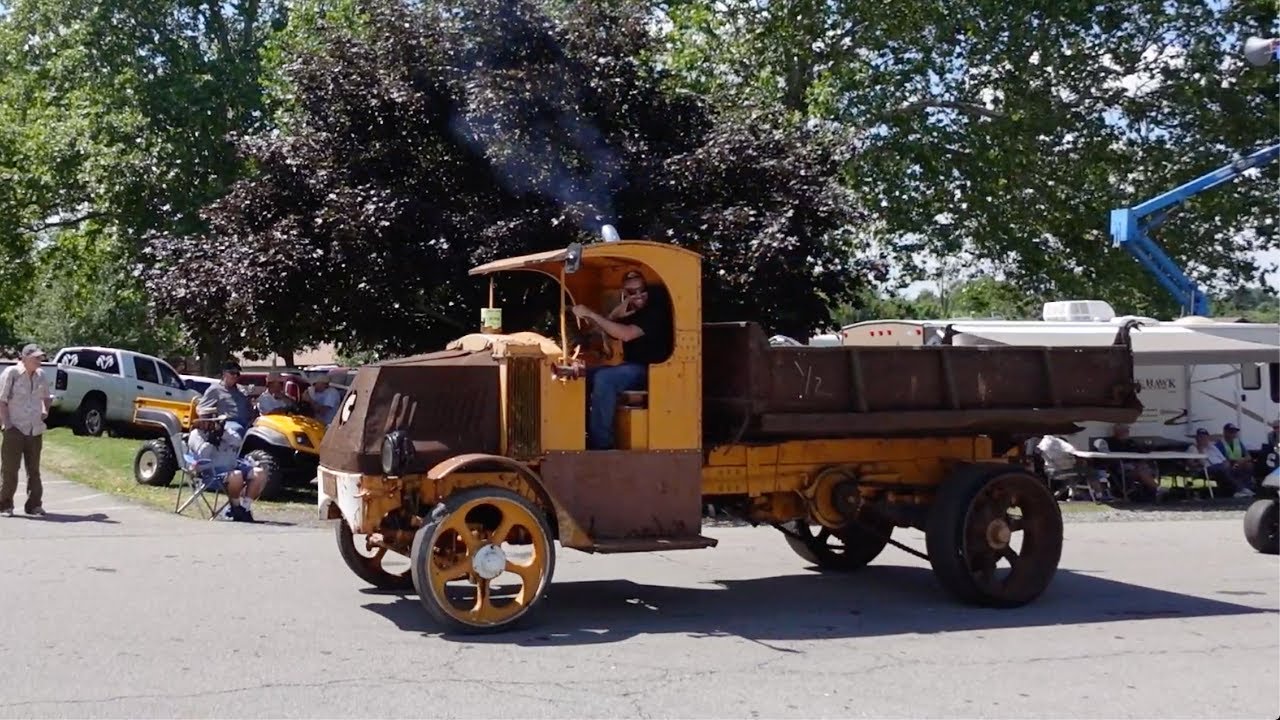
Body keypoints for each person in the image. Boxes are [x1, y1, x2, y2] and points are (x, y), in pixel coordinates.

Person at [571, 269, 673, 450]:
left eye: (642, 290)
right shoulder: (630, 312)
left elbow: (625, 334)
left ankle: (601, 445)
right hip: (630, 366)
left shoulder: (655, 312)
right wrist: (614, 313)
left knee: (606, 378)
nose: (639, 295)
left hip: (652, 370)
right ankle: (579, 436)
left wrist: (592, 314)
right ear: (625, 294)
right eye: (632, 292)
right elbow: (605, 330)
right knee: (582, 374)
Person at [188, 410, 268, 522]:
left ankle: (244, 508)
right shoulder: (196, 435)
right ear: (202, 422)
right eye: (210, 422)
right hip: (210, 473)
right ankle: (235, 507)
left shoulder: (225, 432)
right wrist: (211, 441)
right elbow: (202, 455)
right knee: (237, 475)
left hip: (232, 468)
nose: (214, 424)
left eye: (216, 422)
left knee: (259, 473)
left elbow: (238, 442)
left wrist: (223, 434)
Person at [0, 344, 52, 517]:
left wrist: (45, 410)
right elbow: (2, 400)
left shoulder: (41, 375)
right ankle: (5, 505)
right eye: (36, 358)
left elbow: (47, 396)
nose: (40, 361)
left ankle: (34, 505)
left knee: (34, 470)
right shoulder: (12, 373)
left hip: (34, 429)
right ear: (25, 358)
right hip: (15, 427)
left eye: (41, 357)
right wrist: (7, 424)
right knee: (10, 469)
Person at [197, 361, 253, 445]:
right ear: (224, 373)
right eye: (232, 373)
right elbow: (201, 409)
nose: (235, 376)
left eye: (237, 374)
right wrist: (208, 425)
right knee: (238, 429)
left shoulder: (241, 390)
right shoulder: (215, 389)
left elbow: (249, 408)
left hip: (247, 424)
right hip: (228, 424)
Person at [1195, 427, 1253, 498]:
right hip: (1209, 468)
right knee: (1224, 468)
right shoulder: (1194, 448)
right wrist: (1200, 448)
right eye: (1201, 437)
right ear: (1197, 438)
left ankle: (1245, 489)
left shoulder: (1213, 447)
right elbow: (1201, 462)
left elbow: (1224, 459)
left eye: (1205, 437)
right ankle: (1239, 490)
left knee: (1245, 466)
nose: (1203, 439)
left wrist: (1232, 463)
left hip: (1223, 465)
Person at [1212, 422, 1255, 495]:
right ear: (1225, 432)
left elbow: (1248, 456)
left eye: (1234, 432)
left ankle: (1247, 487)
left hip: (1238, 464)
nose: (1233, 434)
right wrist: (1236, 460)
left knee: (1249, 465)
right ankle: (1238, 489)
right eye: (1231, 432)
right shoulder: (1219, 444)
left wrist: (1242, 460)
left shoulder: (1237, 442)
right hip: (1229, 465)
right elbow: (1221, 459)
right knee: (1229, 467)